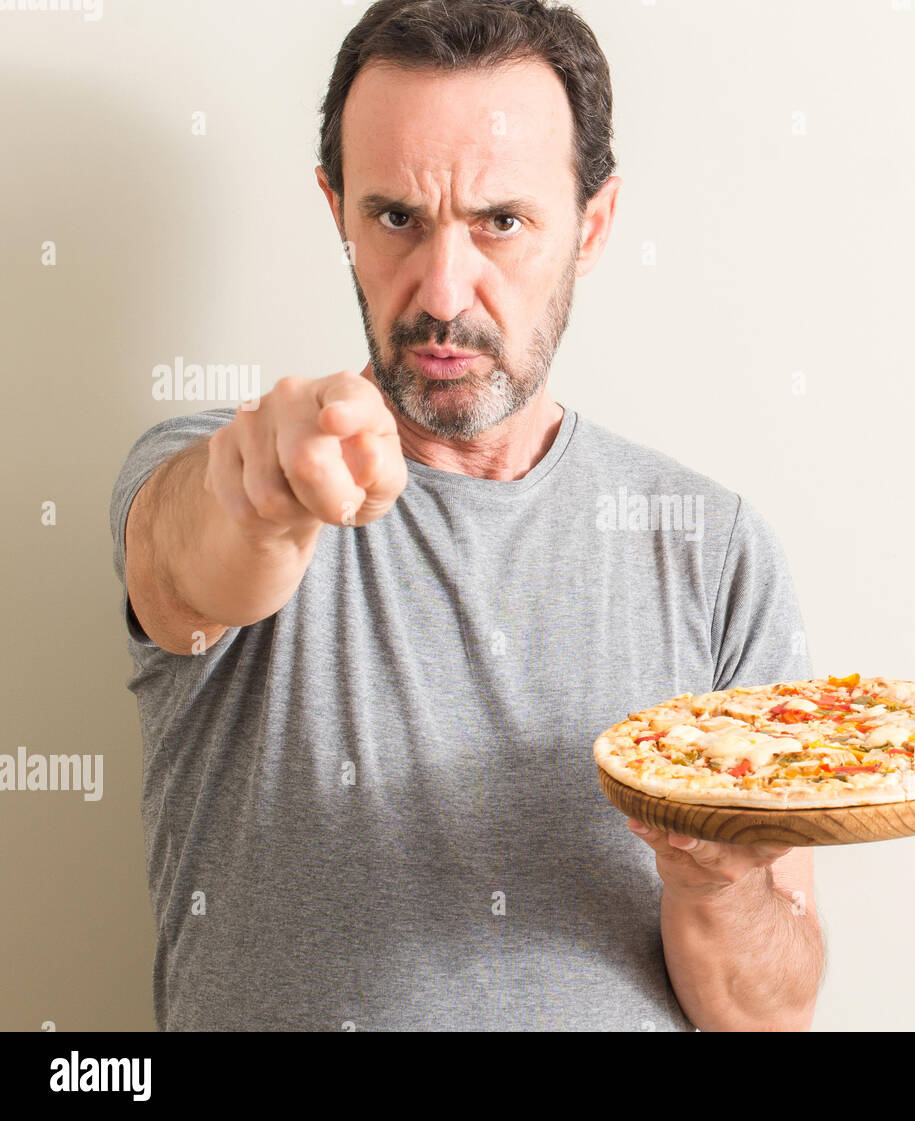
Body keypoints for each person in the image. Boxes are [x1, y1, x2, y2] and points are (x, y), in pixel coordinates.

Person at [111, 0, 823, 1031]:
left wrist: (717, 881)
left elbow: (767, 1015)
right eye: (396, 217)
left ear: (594, 223)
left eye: (501, 221)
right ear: (337, 209)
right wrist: (259, 494)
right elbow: (196, 560)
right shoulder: (218, 467)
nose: (442, 290)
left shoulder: (714, 550)